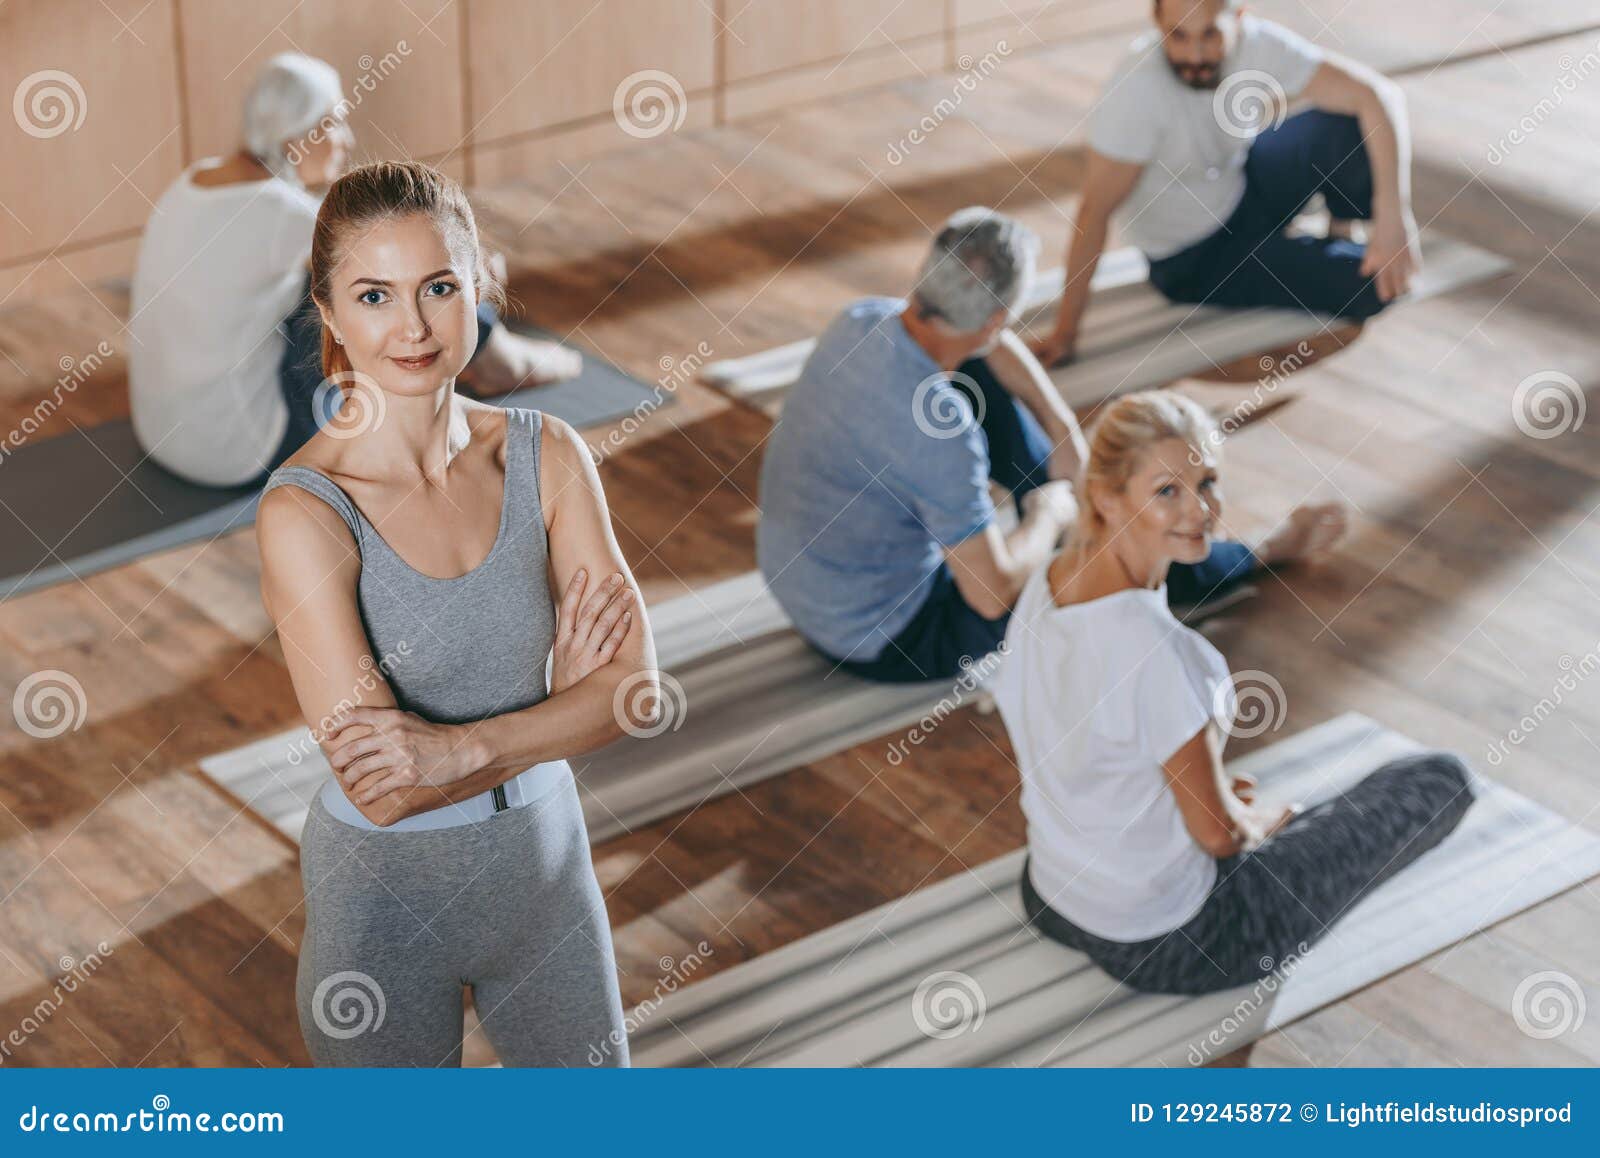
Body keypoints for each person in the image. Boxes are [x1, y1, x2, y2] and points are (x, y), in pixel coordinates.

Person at [256, 160, 653, 1066]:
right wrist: (560, 706)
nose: (412, 327)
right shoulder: (307, 513)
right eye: (373, 294)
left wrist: (464, 747)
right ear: (329, 313)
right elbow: (384, 789)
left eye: (439, 287)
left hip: (546, 869)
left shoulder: (549, 454)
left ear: (480, 288)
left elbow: (634, 694)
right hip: (383, 906)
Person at [994, 391, 1473, 995]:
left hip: (1052, 893)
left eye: (1208, 481)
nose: (1200, 509)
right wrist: (1255, 820)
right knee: (1439, 781)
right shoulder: (1161, 654)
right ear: (1107, 497)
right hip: (1171, 941)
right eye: (1167, 490)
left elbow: (1090, 738)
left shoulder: (1045, 583)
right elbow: (1217, 837)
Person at [756, 206, 1344, 684]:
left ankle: (1100, 512)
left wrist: (1062, 425)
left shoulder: (862, 319)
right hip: (893, 638)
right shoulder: (944, 442)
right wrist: (1049, 513)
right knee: (1106, 553)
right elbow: (991, 596)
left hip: (800, 584)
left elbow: (989, 345)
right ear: (997, 318)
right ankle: (1258, 552)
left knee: (985, 383)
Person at [129, 52, 578, 488]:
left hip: (161, 434)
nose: (346, 139)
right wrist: (476, 284)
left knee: (351, 270)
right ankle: (501, 357)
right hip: (239, 451)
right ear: (296, 135)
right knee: (379, 279)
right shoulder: (282, 213)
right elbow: (415, 261)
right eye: (334, 123)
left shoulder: (193, 181)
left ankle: (487, 352)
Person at [1032, 0, 1420, 368]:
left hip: (1242, 185)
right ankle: (1319, 251)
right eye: (1177, 36)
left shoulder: (1257, 43)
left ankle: (1339, 228)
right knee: (1376, 286)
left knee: (1346, 122)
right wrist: (1065, 332)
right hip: (1194, 257)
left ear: (1238, 19)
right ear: (1157, 24)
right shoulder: (1134, 94)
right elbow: (1092, 214)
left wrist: (1394, 217)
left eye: (1210, 36)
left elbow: (1377, 94)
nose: (1194, 56)